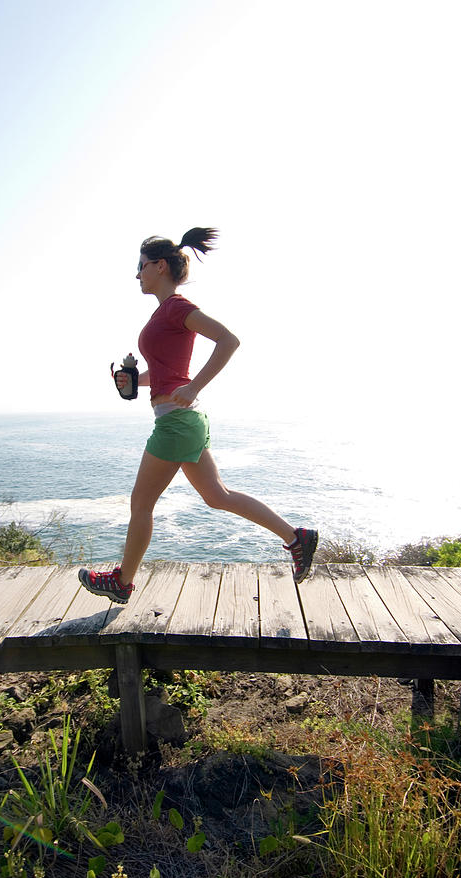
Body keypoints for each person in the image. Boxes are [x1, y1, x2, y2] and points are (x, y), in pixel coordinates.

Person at [78, 228, 318, 603]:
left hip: (177, 420)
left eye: (141, 267)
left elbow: (228, 340)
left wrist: (195, 387)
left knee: (141, 504)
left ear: (159, 266)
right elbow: (164, 376)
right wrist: (132, 381)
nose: (137, 274)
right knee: (217, 495)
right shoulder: (164, 312)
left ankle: (122, 582)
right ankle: (295, 537)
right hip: (185, 420)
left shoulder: (175, 307)